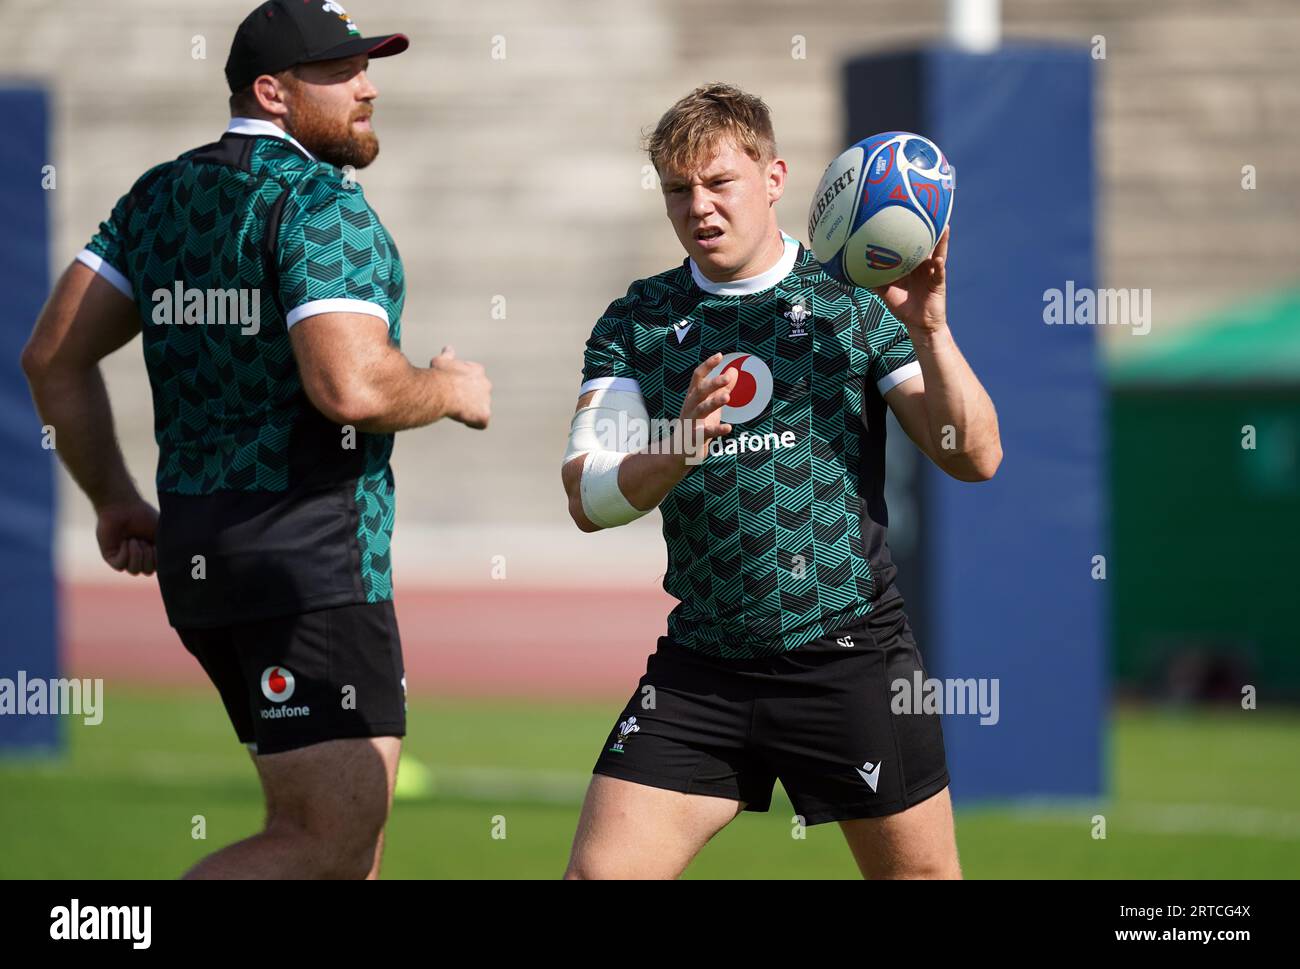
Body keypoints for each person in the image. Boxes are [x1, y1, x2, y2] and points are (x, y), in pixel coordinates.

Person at [20, 0, 491, 879]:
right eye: (342, 72)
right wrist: (448, 388)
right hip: (306, 561)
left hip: (209, 556)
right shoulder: (318, 200)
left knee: (342, 852)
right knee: (324, 841)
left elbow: (52, 356)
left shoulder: (161, 193)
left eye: (368, 67)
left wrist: (116, 499)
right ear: (273, 92)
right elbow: (349, 386)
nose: (368, 88)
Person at [561, 83, 1000, 879]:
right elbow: (587, 494)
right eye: (677, 190)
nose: (699, 206)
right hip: (703, 664)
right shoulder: (639, 320)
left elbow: (972, 456)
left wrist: (929, 327)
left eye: (719, 181)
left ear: (774, 177)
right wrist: (677, 446)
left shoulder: (855, 304)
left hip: (847, 653)